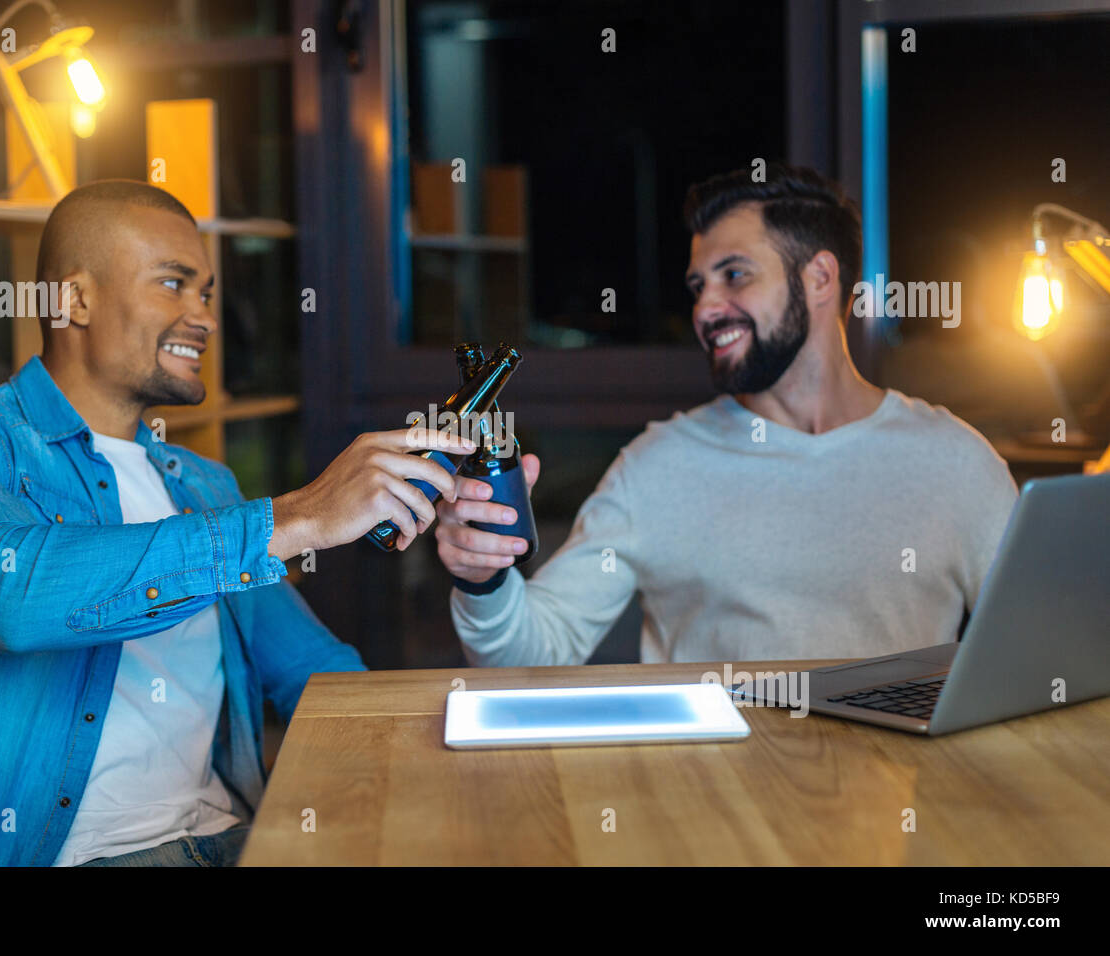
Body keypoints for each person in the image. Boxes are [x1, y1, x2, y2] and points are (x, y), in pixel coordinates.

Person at [0, 180, 474, 866]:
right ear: (74, 299)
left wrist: (458, 739)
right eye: (173, 284)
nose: (204, 317)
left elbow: (316, 676)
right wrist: (296, 518)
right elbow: (11, 598)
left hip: (231, 841)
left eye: (207, 293)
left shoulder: (206, 487)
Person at [436, 164, 1018, 666]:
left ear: (819, 278)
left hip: (902, 792)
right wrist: (482, 580)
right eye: (697, 286)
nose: (706, 308)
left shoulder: (955, 461)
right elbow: (533, 652)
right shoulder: (657, 466)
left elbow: (1036, 650)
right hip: (710, 791)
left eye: (734, 275)